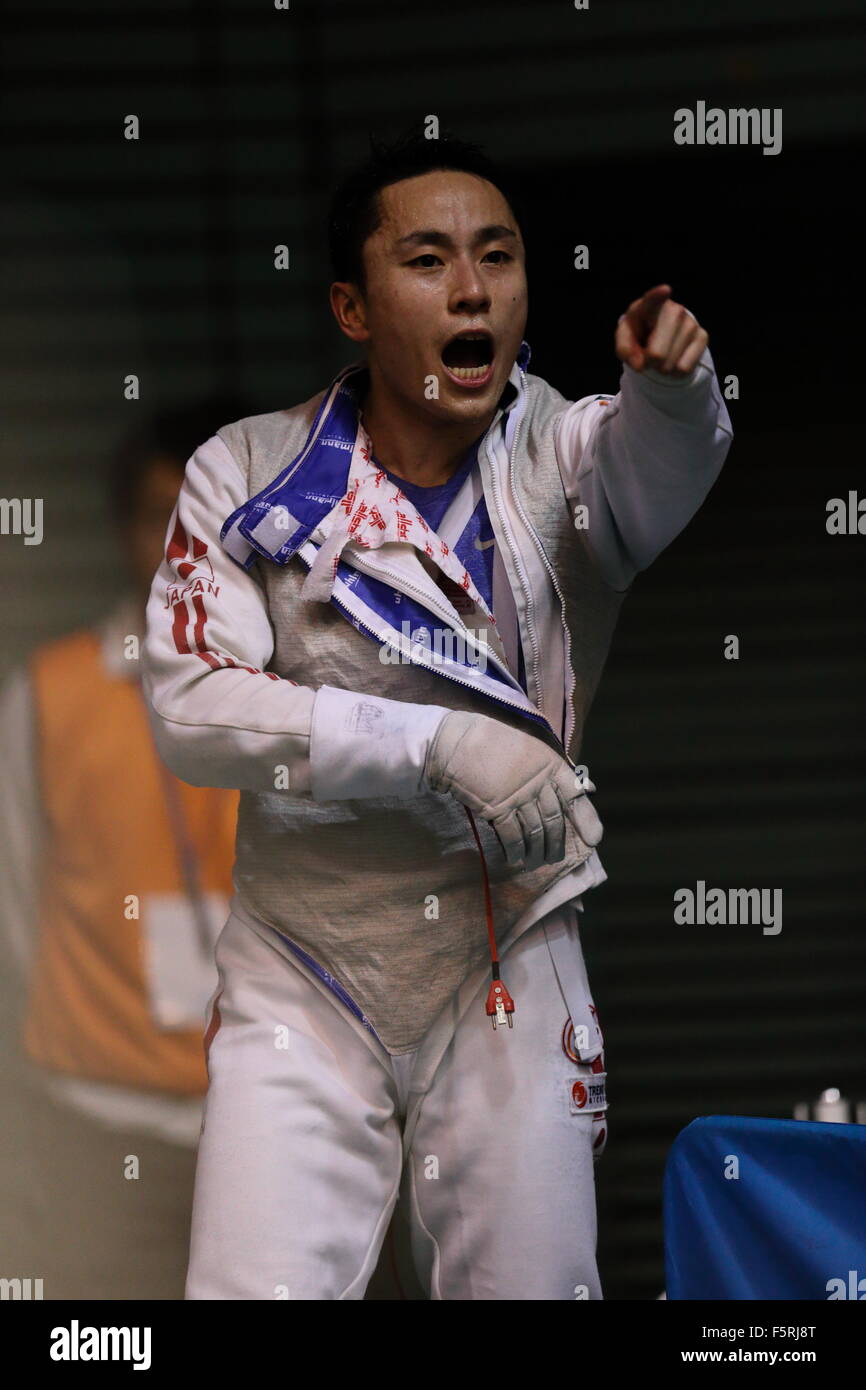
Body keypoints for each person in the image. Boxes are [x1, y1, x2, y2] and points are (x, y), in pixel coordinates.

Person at [141, 131, 733, 1301]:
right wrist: (437, 745)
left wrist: (672, 390)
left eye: (497, 257)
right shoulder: (246, 469)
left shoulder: (565, 455)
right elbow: (192, 707)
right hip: (301, 966)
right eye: (427, 260)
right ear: (352, 309)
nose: (471, 289)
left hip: (509, 946)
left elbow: (658, 468)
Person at [0, 402, 241, 1298]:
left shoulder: (303, 687)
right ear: (122, 531)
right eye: (158, 519)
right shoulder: (50, 693)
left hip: (272, 1120)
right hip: (99, 1129)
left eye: (206, 524)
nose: (183, 551)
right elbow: (19, 902)